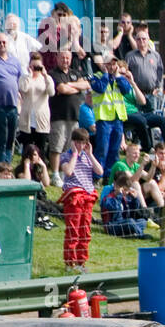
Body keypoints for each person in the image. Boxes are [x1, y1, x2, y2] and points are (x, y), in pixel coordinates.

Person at [59, 127, 102, 270]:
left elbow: (100, 171)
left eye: (84, 143)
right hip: (74, 197)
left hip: (87, 196)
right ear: (73, 142)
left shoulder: (87, 157)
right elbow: (68, 171)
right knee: (73, 230)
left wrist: (89, 154)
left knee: (85, 231)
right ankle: (70, 263)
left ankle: (81, 262)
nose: (81, 146)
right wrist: (75, 154)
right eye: (78, 143)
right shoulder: (66, 156)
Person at [48, 47, 91, 185]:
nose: (65, 60)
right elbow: (61, 89)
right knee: (57, 146)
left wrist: (71, 85)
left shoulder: (74, 73)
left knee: (69, 146)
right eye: (62, 57)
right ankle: (55, 174)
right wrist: (75, 88)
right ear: (57, 58)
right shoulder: (53, 73)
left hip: (74, 116)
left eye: (67, 57)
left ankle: (63, 172)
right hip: (59, 116)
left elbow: (86, 84)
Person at [89, 53, 132, 176]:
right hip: (103, 118)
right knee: (102, 148)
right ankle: (98, 175)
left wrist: (118, 75)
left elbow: (127, 90)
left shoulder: (118, 79)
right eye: (109, 64)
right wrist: (106, 74)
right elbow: (101, 88)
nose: (112, 67)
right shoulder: (96, 77)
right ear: (104, 65)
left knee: (114, 148)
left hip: (117, 118)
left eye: (114, 64)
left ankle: (110, 175)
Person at [0, 33, 25, 165]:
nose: (2, 45)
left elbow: (18, 80)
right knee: (0, 137)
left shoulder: (15, 61)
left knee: (10, 138)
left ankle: (7, 166)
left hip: (12, 104)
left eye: (4, 42)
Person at [101, 170, 149, 238]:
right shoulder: (109, 198)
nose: (126, 193)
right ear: (118, 187)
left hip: (123, 222)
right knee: (130, 222)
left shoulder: (125, 197)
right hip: (111, 226)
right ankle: (140, 235)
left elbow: (133, 212)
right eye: (125, 190)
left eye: (127, 190)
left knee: (143, 221)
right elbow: (116, 211)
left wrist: (134, 199)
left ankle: (131, 233)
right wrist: (119, 196)